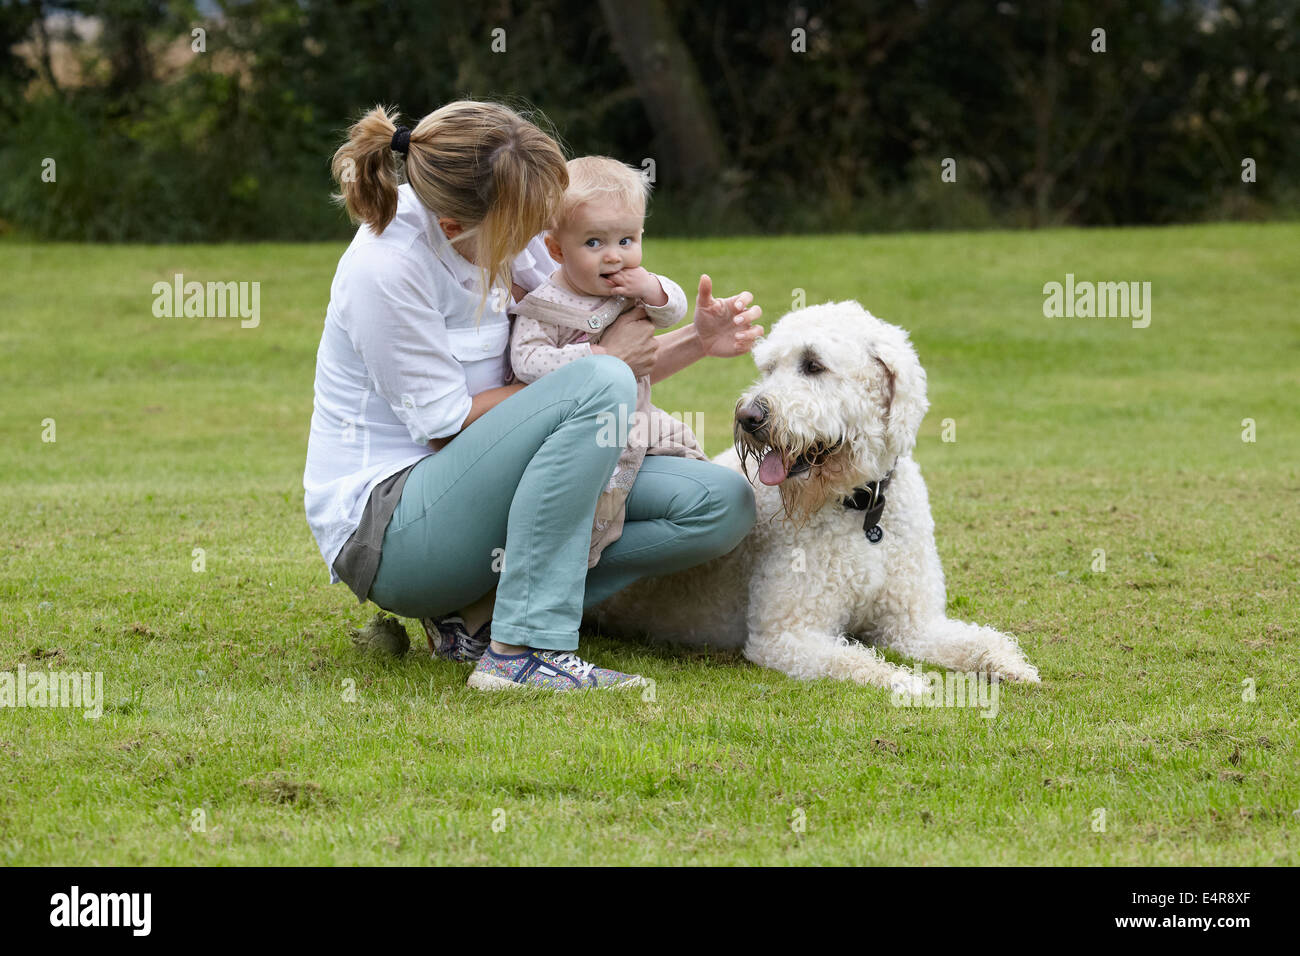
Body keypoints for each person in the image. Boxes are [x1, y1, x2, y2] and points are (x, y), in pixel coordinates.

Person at [303, 100, 762, 692]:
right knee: (600, 378)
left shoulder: (500, 223)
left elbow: (597, 384)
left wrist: (696, 340)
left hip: (493, 485)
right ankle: (519, 650)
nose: (543, 245)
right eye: (529, 230)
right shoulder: (386, 270)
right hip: (394, 528)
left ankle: (477, 612)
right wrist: (603, 363)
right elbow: (454, 425)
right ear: (453, 228)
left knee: (720, 504)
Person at [510, 155, 707, 569]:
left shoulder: (629, 288)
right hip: (585, 434)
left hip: (641, 417)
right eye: (594, 243)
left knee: (687, 446)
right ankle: (580, 557)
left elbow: (673, 310)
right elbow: (526, 360)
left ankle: (690, 498)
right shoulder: (545, 305)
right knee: (604, 500)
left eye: (627, 240)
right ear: (556, 249)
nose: (614, 257)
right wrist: (597, 359)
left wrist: (652, 287)